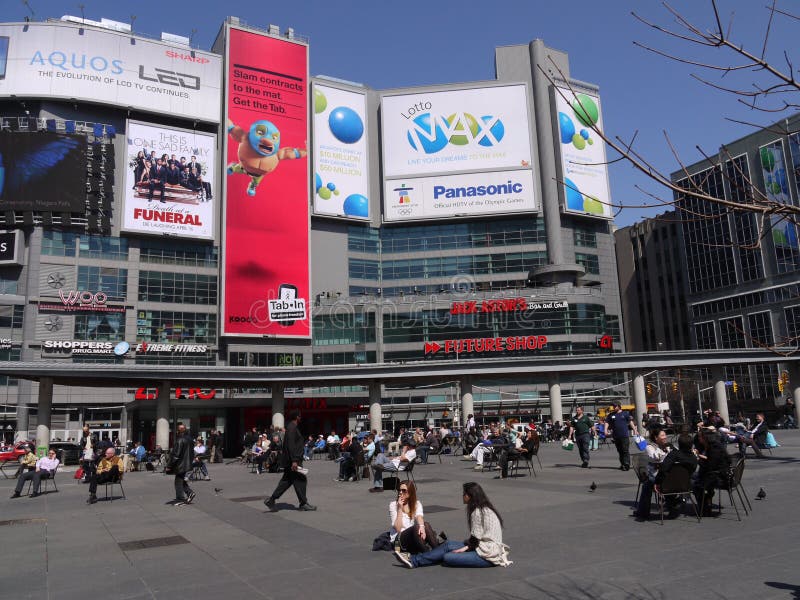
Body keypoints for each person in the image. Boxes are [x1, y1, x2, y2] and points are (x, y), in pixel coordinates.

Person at [394, 482, 511, 569]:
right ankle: (414, 560)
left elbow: (475, 539)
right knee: (448, 544)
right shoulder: (485, 508)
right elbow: (476, 539)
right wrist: (466, 546)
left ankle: (415, 560)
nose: (462, 496)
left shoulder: (477, 512)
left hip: (488, 555)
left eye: (464, 494)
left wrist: (465, 548)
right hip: (482, 547)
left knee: (448, 557)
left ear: (470, 496)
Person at [264, 412, 316, 512]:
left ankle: (271, 500)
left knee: (286, 481)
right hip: (293, 460)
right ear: (297, 417)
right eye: (300, 416)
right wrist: (294, 461)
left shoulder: (291, 427)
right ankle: (303, 504)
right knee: (301, 480)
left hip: (290, 460)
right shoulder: (292, 428)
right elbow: (291, 445)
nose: (301, 417)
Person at [654, 434, 698, 518]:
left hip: (668, 485)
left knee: (648, 484)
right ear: (691, 445)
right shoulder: (693, 457)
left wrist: (657, 482)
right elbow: (692, 470)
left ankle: (642, 512)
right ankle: (677, 502)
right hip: (686, 485)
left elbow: (663, 469)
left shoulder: (673, 454)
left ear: (679, 444)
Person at [634, 428, 671, 521]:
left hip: (668, 474)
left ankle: (642, 512)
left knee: (647, 486)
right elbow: (656, 458)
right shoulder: (650, 447)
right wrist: (664, 451)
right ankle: (643, 512)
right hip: (655, 474)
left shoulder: (668, 446)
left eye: (665, 435)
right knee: (648, 484)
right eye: (662, 435)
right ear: (656, 437)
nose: (665, 437)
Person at [389, 482, 438, 553]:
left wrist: (422, 527)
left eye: (404, 490)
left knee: (425, 524)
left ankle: (437, 551)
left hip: (412, 536)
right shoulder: (393, 505)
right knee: (416, 527)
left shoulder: (416, 504)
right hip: (397, 541)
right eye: (399, 490)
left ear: (410, 492)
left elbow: (419, 516)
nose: (400, 492)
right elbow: (398, 528)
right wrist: (400, 508)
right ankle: (428, 554)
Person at [693, 427, 731, 516]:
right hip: (718, 473)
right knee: (692, 476)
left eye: (700, 437)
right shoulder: (714, 445)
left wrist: (698, 459)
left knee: (693, 483)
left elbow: (709, 466)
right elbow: (711, 459)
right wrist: (700, 455)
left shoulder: (715, 448)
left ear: (705, 438)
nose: (698, 438)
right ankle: (708, 497)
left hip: (719, 477)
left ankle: (704, 506)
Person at [166, 423, 195, 506]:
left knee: (178, 481)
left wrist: (169, 466)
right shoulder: (190, 439)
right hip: (188, 463)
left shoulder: (180, 440)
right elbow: (192, 452)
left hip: (180, 464)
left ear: (179, 431)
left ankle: (183, 497)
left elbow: (175, 455)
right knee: (180, 480)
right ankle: (186, 494)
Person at [606, 402, 638, 471]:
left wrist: (635, 430)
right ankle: (623, 464)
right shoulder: (611, 415)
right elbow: (607, 422)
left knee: (625, 450)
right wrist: (605, 430)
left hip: (624, 435)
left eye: (615, 406)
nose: (614, 407)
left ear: (619, 406)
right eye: (613, 406)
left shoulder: (625, 414)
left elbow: (630, 422)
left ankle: (626, 464)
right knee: (620, 451)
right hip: (616, 436)